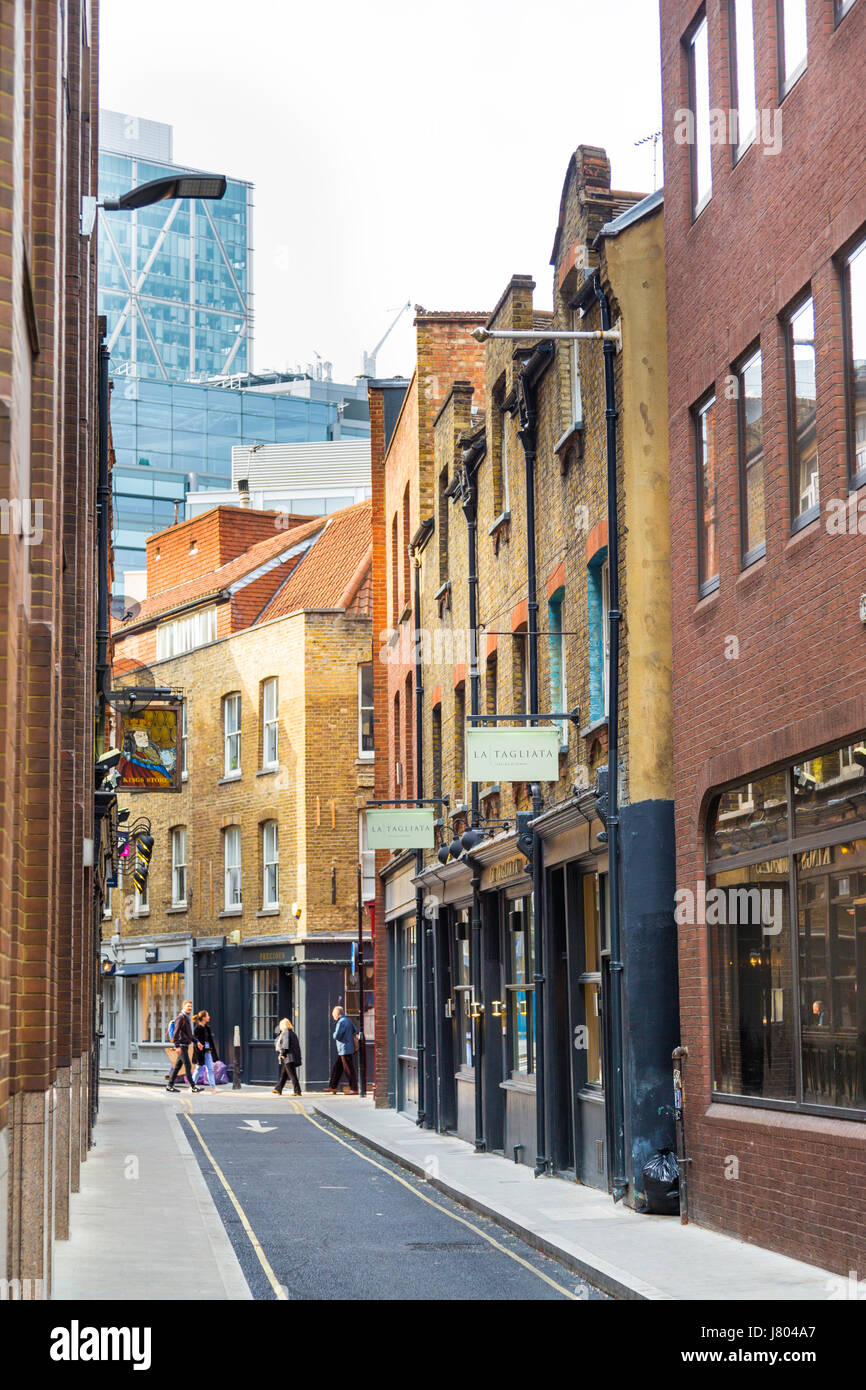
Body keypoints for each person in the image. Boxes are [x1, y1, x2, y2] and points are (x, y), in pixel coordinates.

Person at [166, 1000, 202, 1093]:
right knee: (188, 1065)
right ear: (183, 1007)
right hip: (181, 1046)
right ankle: (193, 1086)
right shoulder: (181, 1018)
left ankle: (170, 1085)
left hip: (185, 1045)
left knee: (177, 1067)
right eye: (188, 1006)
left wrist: (197, 1042)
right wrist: (177, 1046)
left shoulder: (186, 1018)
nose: (190, 1008)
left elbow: (189, 1035)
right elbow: (176, 1033)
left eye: (191, 1006)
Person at [327, 1005, 359, 1094]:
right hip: (346, 1048)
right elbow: (356, 1030)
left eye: (333, 1013)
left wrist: (333, 1034)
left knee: (349, 1070)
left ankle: (354, 1089)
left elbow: (336, 1036)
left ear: (337, 1014)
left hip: (344, 1049)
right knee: (337, 1068)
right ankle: (333, 1086)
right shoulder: (348, 1020)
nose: (333, 1015)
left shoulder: (340, 1022)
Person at [272, 1017, 303, 1096]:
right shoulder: (292, 1033)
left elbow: (285, 1046)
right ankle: (278, 1089)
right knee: (284, 1074)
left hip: (288, 1057)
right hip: (292, 1057)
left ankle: (297, 1091)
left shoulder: (286, 1033)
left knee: (292, 1075)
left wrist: (282, 1054)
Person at [193, 1010, 219, 1088]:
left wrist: (213, 1051)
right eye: (207, 1016)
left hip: (208, 1051)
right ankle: (192, 1085)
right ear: (204, 1018)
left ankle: (213, 1087)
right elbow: (195, 1040)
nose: (209, 1017)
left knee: (210, 1069)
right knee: (198, 1069)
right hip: (200, 1052)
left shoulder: (207, 1027)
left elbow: (210, 1040)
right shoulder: (197, 1028)